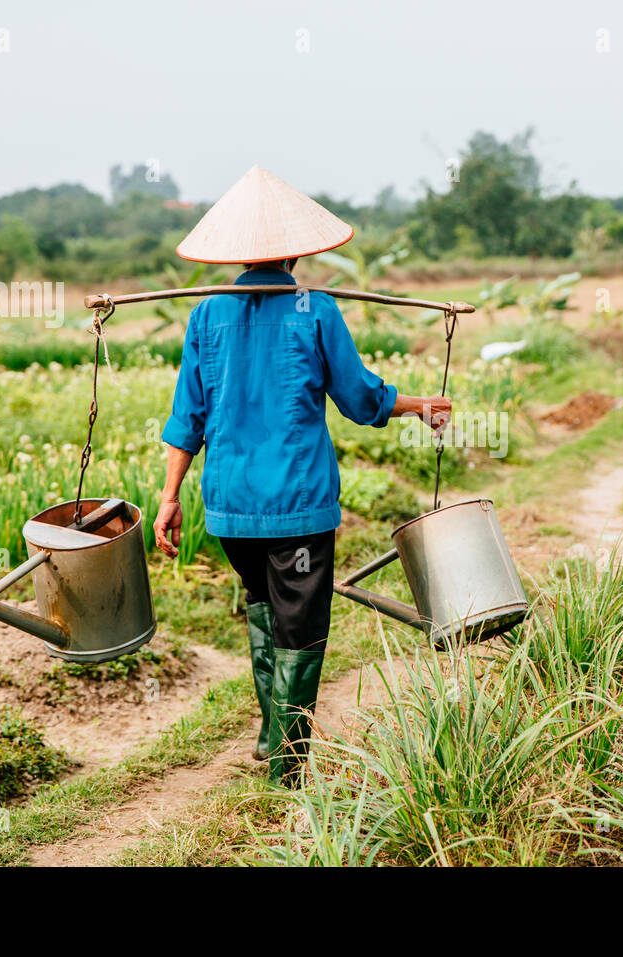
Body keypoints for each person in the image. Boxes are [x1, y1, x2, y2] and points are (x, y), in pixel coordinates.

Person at [153, 166, 449, 785]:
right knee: (301, 628)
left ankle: (271, 736)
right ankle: (288, 762)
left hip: (230, 507)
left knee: (264, 608)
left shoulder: (206, 316)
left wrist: (168, 498)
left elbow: (188, 418)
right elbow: (360, 398)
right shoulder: (316, 310)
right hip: (296, 504)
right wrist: (418, 405)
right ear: (293, 249)